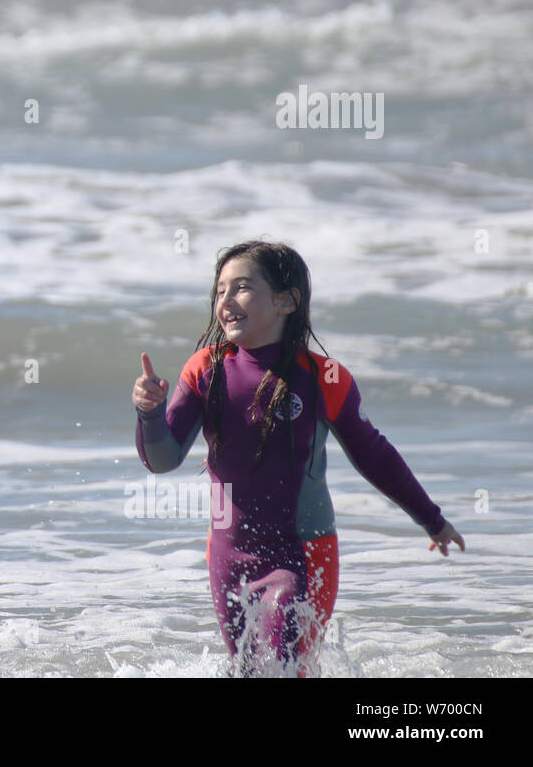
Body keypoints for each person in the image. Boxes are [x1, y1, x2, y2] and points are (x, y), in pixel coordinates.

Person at [131, 240, 464, 676]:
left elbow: (375, 456)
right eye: (219, 290)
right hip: (226, 556)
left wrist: (432, 519)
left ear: (287, 300)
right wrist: (150, 413)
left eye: (242, 287)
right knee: (250, 671)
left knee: (285, 668)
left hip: (301, 556)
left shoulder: (323, 378)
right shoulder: (205, 370)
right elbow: (162, 458)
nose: (226, 301)